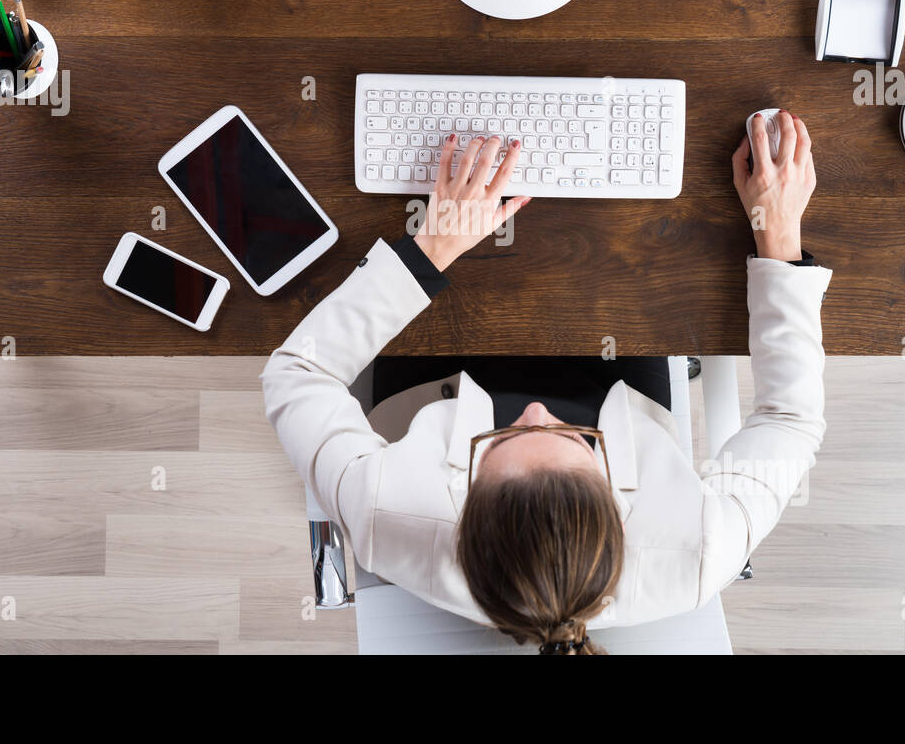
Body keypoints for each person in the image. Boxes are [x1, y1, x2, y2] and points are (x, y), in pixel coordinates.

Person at [262, 112, 830, 654]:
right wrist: (777, 232)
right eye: (574, 441)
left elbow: (297, 372)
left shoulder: (391, 514)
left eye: (503, 441)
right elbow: (791, 420)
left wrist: (431, 246)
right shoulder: (703, 546)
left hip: (438, 382)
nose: (534, 409)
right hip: (615, 392)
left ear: (460, 506)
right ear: (617, 503)